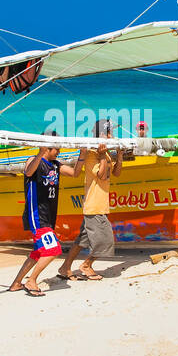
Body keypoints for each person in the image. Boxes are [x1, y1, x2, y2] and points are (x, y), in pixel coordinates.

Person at [8, 141, 82, 297]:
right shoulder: (34, 160)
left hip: (48, 216)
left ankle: (16, 283)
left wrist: (83, 153)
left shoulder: (56, 164)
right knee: (53, 249)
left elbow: (75, 173)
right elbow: (28, 172)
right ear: (47, 148)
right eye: (57, 148)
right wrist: (40, 152)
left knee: (38, 252)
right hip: (37, 216)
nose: (59, 151)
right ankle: (31, 281)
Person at [57, 120, 122, 280]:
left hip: (97, 205)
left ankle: (65, 268)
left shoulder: (105, 153)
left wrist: (119, 155)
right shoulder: (93, 154)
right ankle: (86, 265)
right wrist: (101, 156)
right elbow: (101, 175)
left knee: (81, 240)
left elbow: (117, 173)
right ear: (103, 134)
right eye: (110, 132)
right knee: (105, 241)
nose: (112, 135)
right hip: (95, 206)